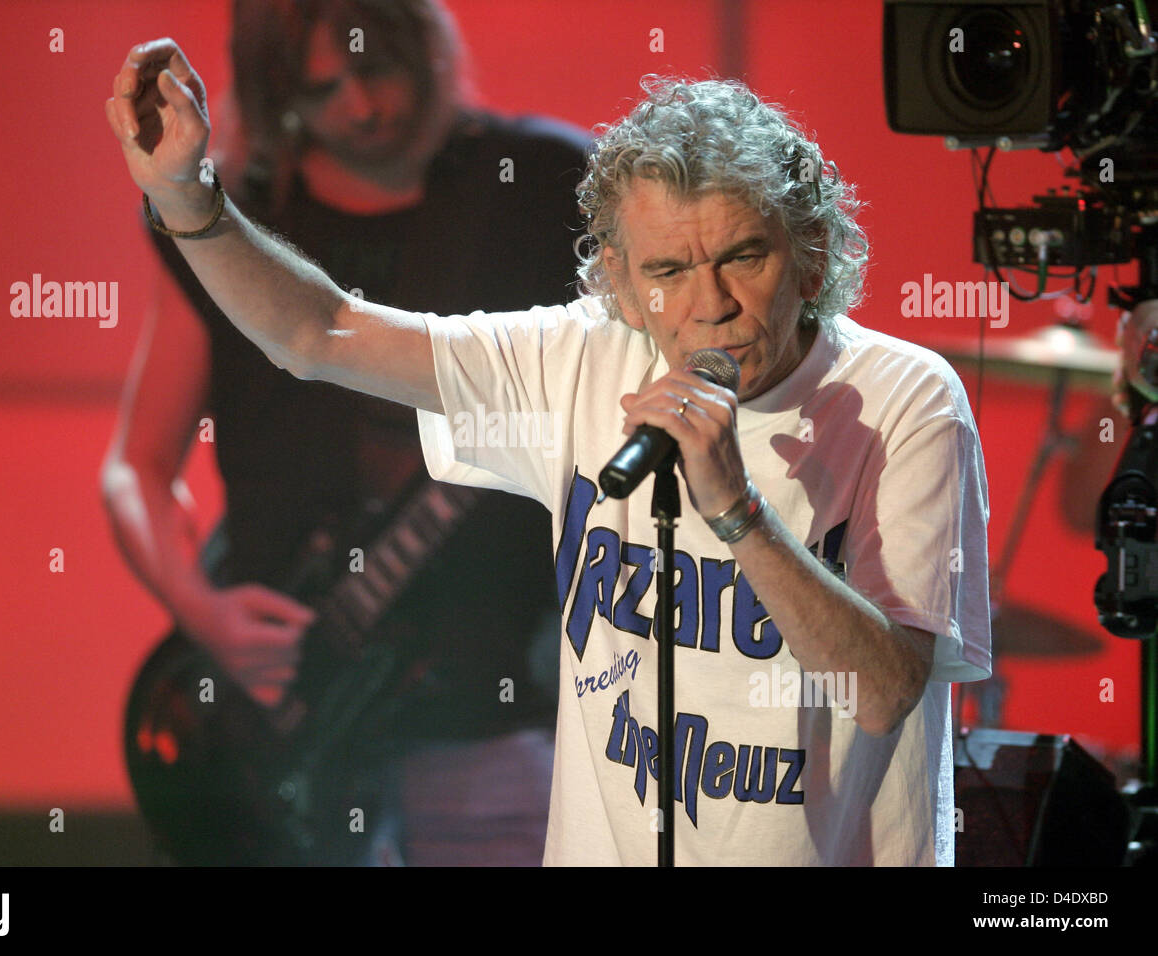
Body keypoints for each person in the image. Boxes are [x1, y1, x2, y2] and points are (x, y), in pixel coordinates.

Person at [104, 38, 993, 865]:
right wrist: (192, 203)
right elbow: (321, 331)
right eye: (667, 272)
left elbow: (883, 693)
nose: (708, 305)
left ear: (812, 255)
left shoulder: (903, 401)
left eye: (743, 257)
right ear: (618, 278)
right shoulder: (580, 355)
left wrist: (737, 512)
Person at [100, 1, 589, 865]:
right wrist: (199, 608)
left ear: (430, 48)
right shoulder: (231, 217)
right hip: (282, 711)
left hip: (492, 701)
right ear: (275, 90)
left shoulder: (544, 183)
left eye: (382, 68)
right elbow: (136, 467)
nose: (363, 105)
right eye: (324, 86)